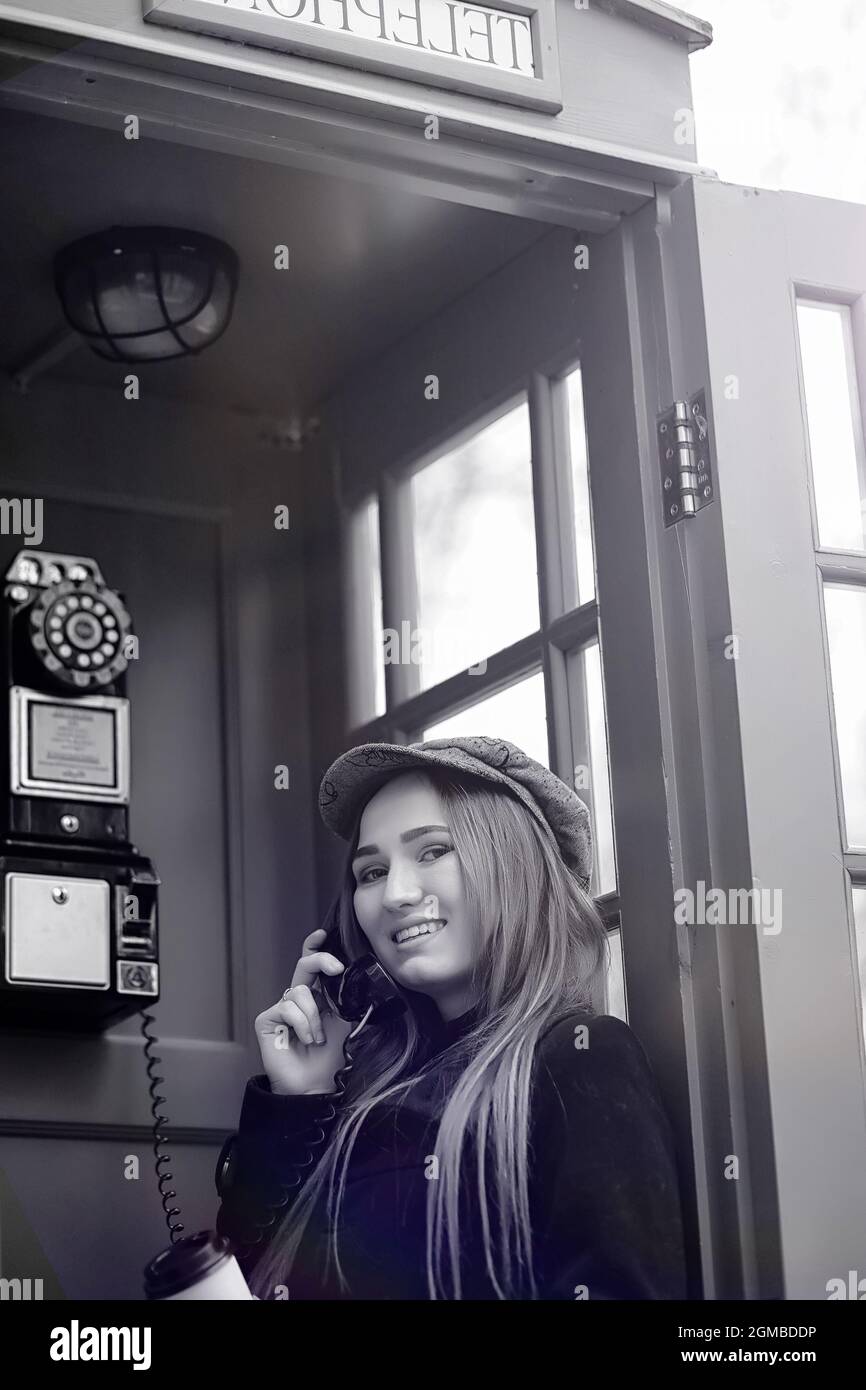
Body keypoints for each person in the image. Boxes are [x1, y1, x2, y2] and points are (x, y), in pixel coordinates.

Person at [215, 736, 688, 1300]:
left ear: (512, 866)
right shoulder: (354, 1089)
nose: (394, 894)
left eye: (434, 851)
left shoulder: (577, 1060)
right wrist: (296, 1105)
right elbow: (252, 1275)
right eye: (370, 872)